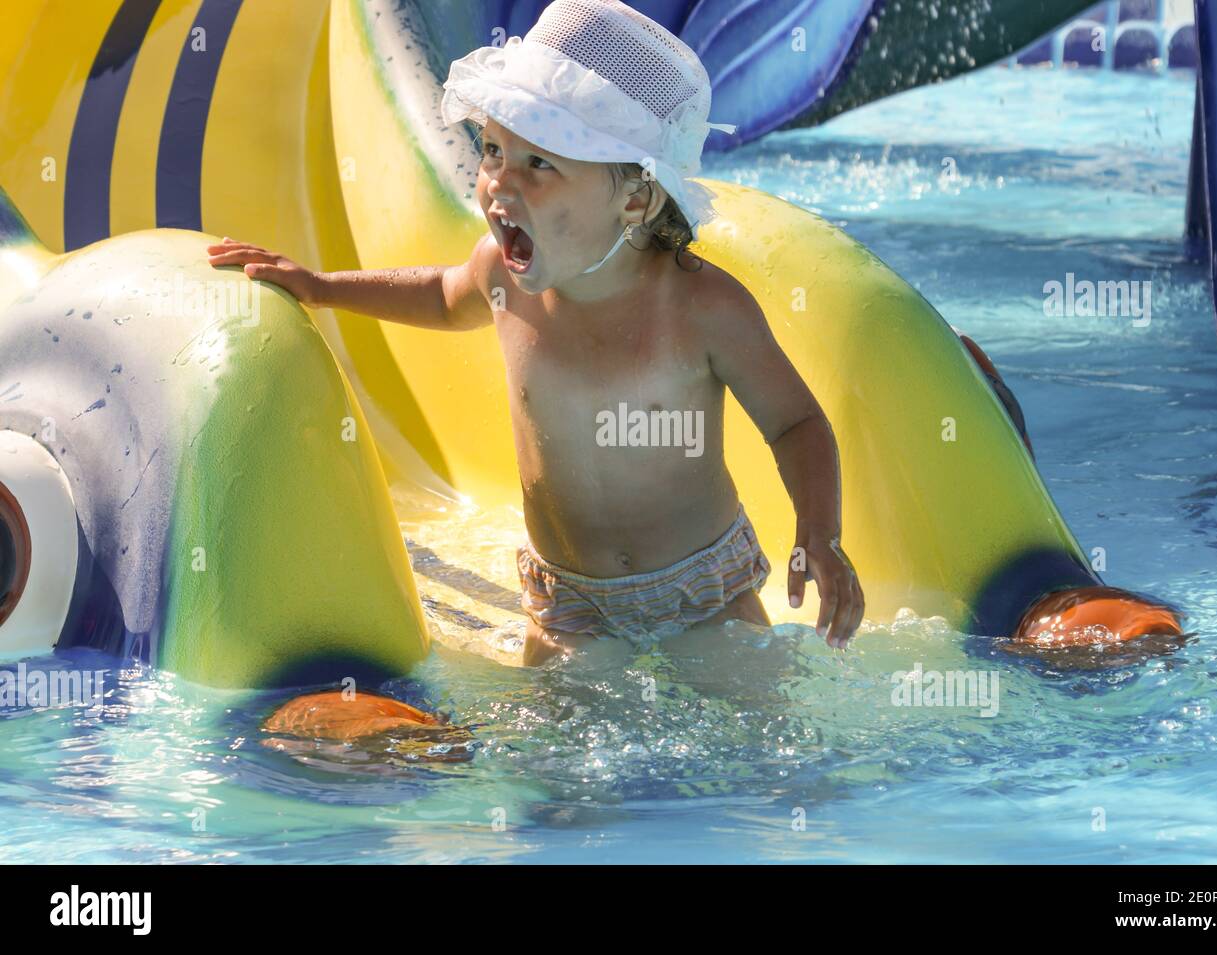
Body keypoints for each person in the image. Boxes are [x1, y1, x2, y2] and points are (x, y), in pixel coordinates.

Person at [208, 0, 863, 665]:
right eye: (493, 150)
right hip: (568, 600)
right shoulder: (502, 276)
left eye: (539, 164)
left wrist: (821, 532)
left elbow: (796, 425)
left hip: (701, 592)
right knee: (548, 759)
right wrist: (321, 287)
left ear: (635, 200)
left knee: (759, 751)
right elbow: (439, 295)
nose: (497, 184)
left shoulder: (700, 309)